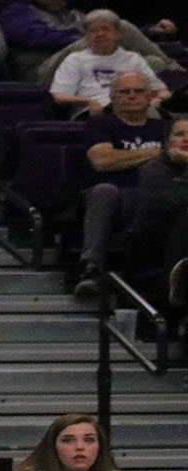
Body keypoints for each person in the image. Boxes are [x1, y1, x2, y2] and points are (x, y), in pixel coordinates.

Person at [74, 71, 173, 293]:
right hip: (113, 195)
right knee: (104, 191)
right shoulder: (99, 124)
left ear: (150, 97)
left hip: (154, 195)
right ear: (112, 97)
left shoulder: (166, 128)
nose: (132, 96)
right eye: (124, 92)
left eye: (138, 91)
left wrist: (127, 158)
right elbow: (102, 161)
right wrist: (157, 153)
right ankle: (91, 268)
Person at [9, 412, 183, 471]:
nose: (80, 447)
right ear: (52, 447)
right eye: (68, 440)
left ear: (100, 447)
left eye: (89, 440)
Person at [49, 8, 170, 116]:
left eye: (105, 29)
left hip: (133, 108)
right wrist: (88, 101)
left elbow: (163, 92)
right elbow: (58, 96)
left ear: (118, 34)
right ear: (86, 37)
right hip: (93, 113)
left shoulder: (133, 59)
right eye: (93, 31)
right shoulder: (75, 60)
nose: (100, 34)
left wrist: (157, 99)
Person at [129, 117, 188, 300]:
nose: (186, 139)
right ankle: (178, 281)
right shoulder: (153, 170)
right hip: (153, 241)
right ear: (167, 142)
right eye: (179, 134)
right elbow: (175, 202)